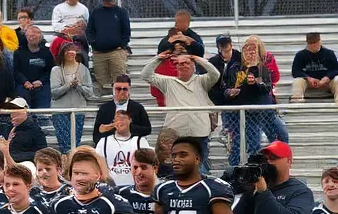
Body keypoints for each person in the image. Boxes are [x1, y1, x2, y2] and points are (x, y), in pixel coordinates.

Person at [141, 50, 221, 165]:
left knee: (201, 167)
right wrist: (158, 59)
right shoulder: (167, 82)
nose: (184, 65)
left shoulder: (202, 80)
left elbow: (215, 74)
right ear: (176, 66)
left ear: (193, 65)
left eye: (187, 63)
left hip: (199, 133)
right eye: (181, 63)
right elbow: (145, 75)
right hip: (176, 134)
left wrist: (197, 58)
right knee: (177, 166)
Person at [221, 36, 288, 165]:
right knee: (253, 144)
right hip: (249, 113)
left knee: (282, 134)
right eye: (247, 50)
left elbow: (267, 87)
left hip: (266, 110)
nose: (250, 54)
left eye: (253, 50)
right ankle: (247, 168)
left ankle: (281, 164)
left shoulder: (263, 68)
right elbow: (226, 87)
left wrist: (256, 83)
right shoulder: (235, 67)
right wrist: (230, 92)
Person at [48, 44, 92, 152]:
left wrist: (79, 86)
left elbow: (89, 93)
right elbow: (54, 93)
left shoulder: (83, 69)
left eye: (73, 51)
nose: (70, 53)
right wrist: (68, 85)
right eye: (67, 51)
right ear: (62, 53)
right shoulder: (56, 70)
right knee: (65, 145)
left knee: (75, 144)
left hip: (78, 110)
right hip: (60, 111)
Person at [86, 0, 130, 92]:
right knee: (102, 80)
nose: (109, 3)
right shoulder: (96, 12)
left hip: (116, 52)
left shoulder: (121, 12)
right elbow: (89, 30)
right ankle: (105, 104)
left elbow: (126, 31)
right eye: (106, 1)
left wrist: (122, 44)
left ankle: (121, 103)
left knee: (120, 79)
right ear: (103, 1)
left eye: (110, 0)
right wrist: (93, 43)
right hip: (99, 53)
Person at [95, 109, 151, 187]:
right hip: (111, 187)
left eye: (123, 118)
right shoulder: (103, 142)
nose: (120, 121)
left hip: (134, 187)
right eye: (117, 119)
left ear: (130, 120)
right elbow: (99, 167)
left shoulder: (140, 141)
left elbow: (148, 167)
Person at [93, 74, 151, 145]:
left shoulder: (138, 108)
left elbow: (147, 129)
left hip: (132, 144)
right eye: (118, 89)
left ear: (129, 89)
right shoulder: (105, 108)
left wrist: (129, 127)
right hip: (110, 145)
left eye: (125, 89)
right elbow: (96, 134)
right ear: (113, 89)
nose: (122, 92)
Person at [14, 26, 54, 113]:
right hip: (24, 85)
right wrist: (25, 81)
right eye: (29, 36)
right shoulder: (18, 52)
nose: (32, 38)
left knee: (42, 112)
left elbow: (50, 70)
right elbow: (16, 71)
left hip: (42, 86)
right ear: (26, 36)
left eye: (34, 36)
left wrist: (41, 81)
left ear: (40, 37)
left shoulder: (47, 52)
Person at [289, 32, 338, 102]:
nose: (313, 47)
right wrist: (308, 78)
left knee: (337, 80)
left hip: (327, 82)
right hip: (309, 82)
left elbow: (335, 69)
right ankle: (296, 104)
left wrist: (327, 77)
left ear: (320, 42)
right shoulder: (300, 55)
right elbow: (295, 71)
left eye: (315, 44)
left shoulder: (329, 53)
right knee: (297, 81)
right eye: (311, 45)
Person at [0, 98, 46, 164]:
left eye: (16, 109)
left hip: (24, 165)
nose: (12, 113)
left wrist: (15, 157)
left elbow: (42, 152)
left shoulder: (35, 130)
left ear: (25, 110)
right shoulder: (8, 128)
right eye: (11, 110)